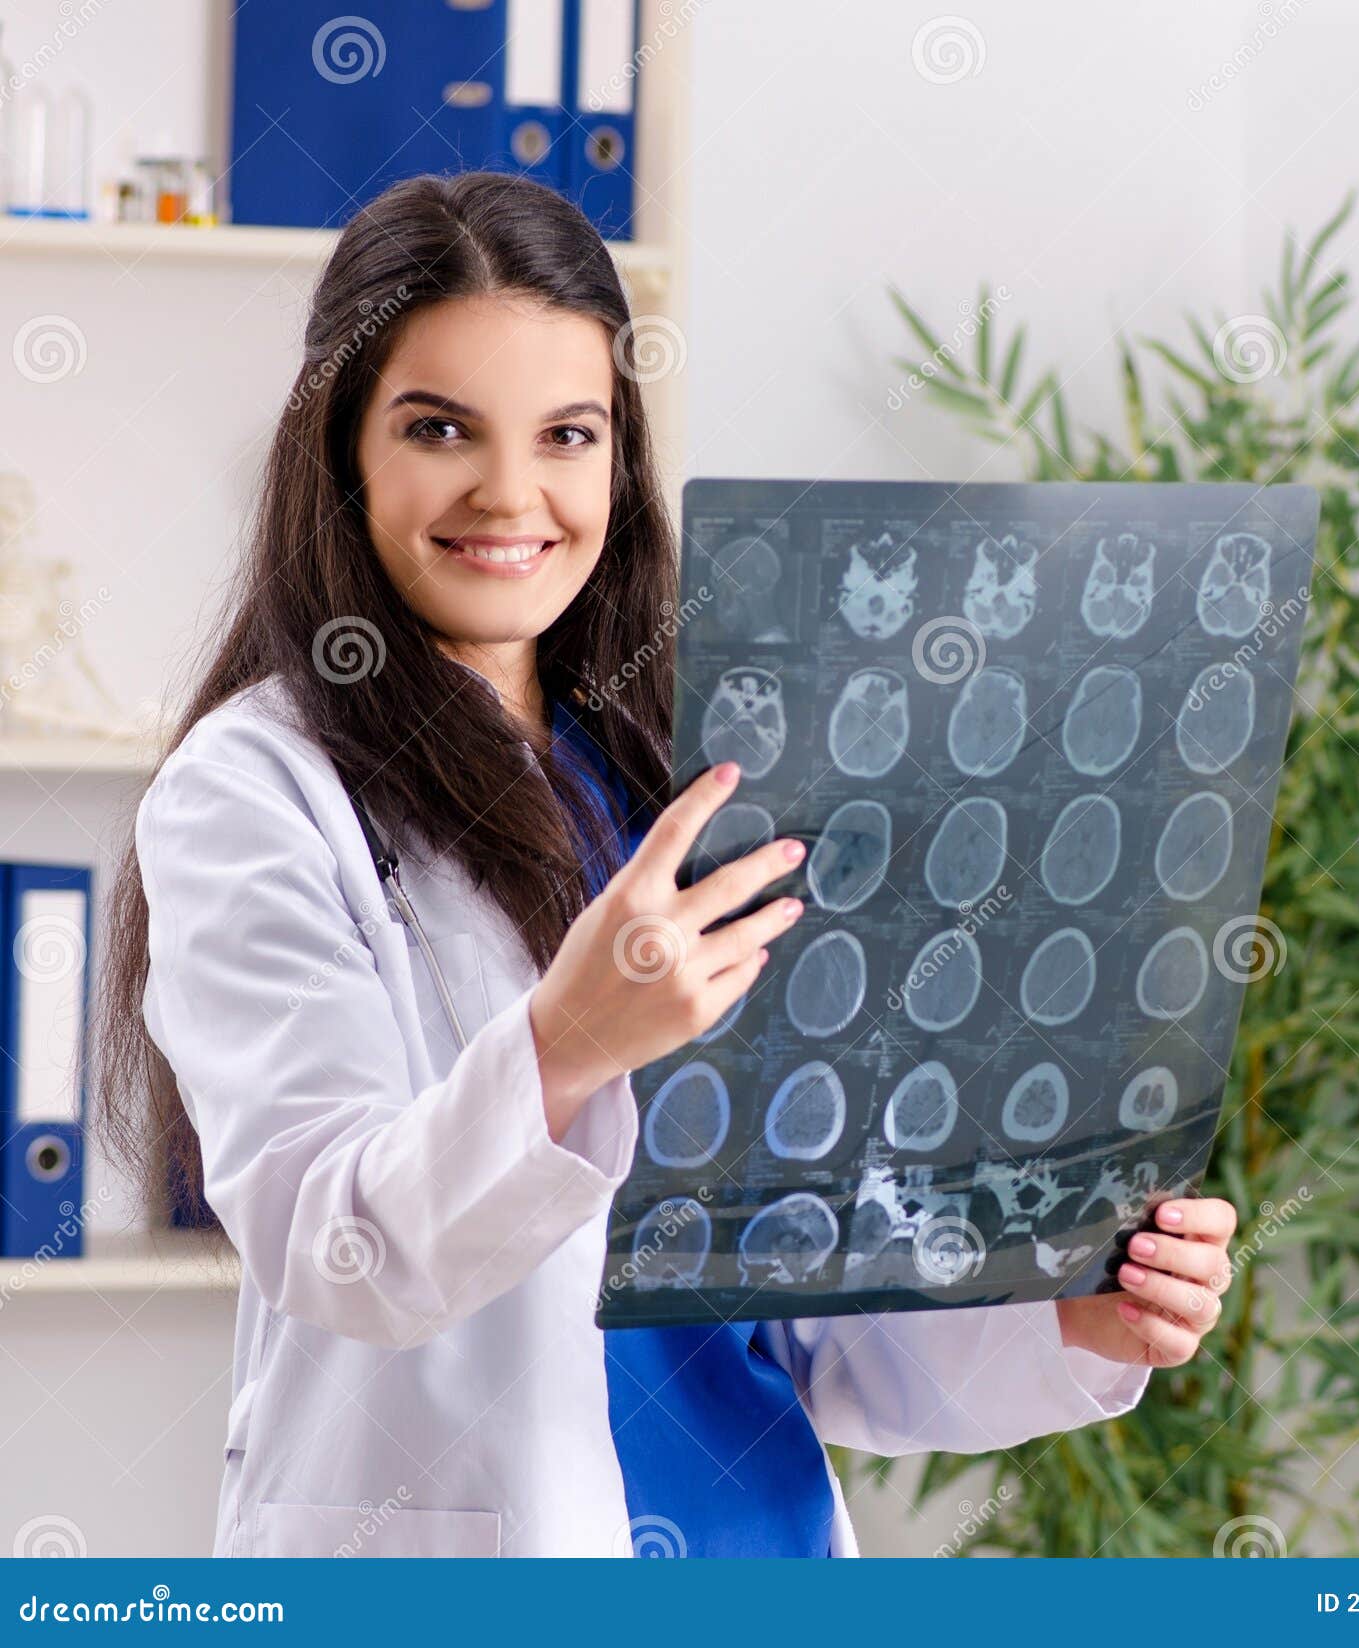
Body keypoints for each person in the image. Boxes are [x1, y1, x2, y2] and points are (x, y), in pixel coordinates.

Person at [99, 171, 1239, 1559]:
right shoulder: (255, 791)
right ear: (339, 449)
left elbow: (805, 1325)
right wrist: (568, 1045)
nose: (509, 493)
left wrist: (1067, 1315)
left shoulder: (675, 769)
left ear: (617, 460)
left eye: (567, 435)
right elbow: (338, 1246)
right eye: (439, 428)